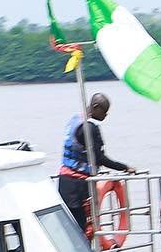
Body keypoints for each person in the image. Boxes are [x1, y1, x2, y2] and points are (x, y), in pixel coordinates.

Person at [58, 92, 137, 233]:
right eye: (104, 111)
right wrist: (124, 167)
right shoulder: (89, 128)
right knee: (82, 228)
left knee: (70, 228)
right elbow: (100, 158)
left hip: (65, 181)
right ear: (95, 107)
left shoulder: (75, 120)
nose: (106, 115)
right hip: (78, 186)